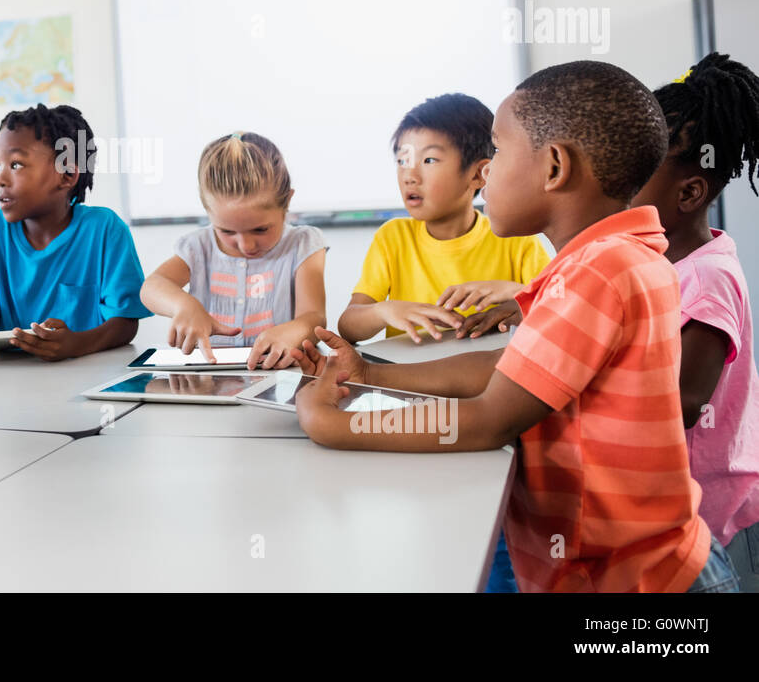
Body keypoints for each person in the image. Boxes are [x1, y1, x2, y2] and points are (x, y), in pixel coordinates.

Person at [292, 61, 737, 592]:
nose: (486, 174)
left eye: (497, 153)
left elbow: (487, 421)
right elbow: (507, 366)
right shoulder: (607, 259)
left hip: (639, 582)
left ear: (554, 168)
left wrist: (332, 427)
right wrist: (367, 372)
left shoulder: (601, 270)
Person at [632, 53, 759, 591]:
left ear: (688, 194)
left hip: (703, 511)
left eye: (633, 180)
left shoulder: (707, 277)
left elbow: (685, 402)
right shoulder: (661, 261)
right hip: (673, 502)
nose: (616, 192)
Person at [337, 94, 549, 345]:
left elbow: (558, 310)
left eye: (429, 160)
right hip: (407, 379)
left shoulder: (517, 241)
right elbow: (348, 326)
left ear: (479, 175)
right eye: (402, 161)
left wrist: (515, 293)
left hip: (487, 376)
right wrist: (384, 311)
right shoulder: (393, 237)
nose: (409, 176)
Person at [0, 104, 150, 361]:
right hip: (13, 379)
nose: (0, 179)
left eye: (17, 164)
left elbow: (125, 323)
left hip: (90, 372)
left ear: (66, 175)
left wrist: (76, 345)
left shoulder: (104, 230)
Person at [140, 132, 326, 369]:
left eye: (260, 230)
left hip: (279, 376)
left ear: (287, 202)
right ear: (207, 209)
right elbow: (152, 287)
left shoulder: (302, 245)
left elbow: (314, 318)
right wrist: (184, 306)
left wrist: (295, 332)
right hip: (209, 377)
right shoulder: (199, 247)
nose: (246, 245)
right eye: (227, 231)